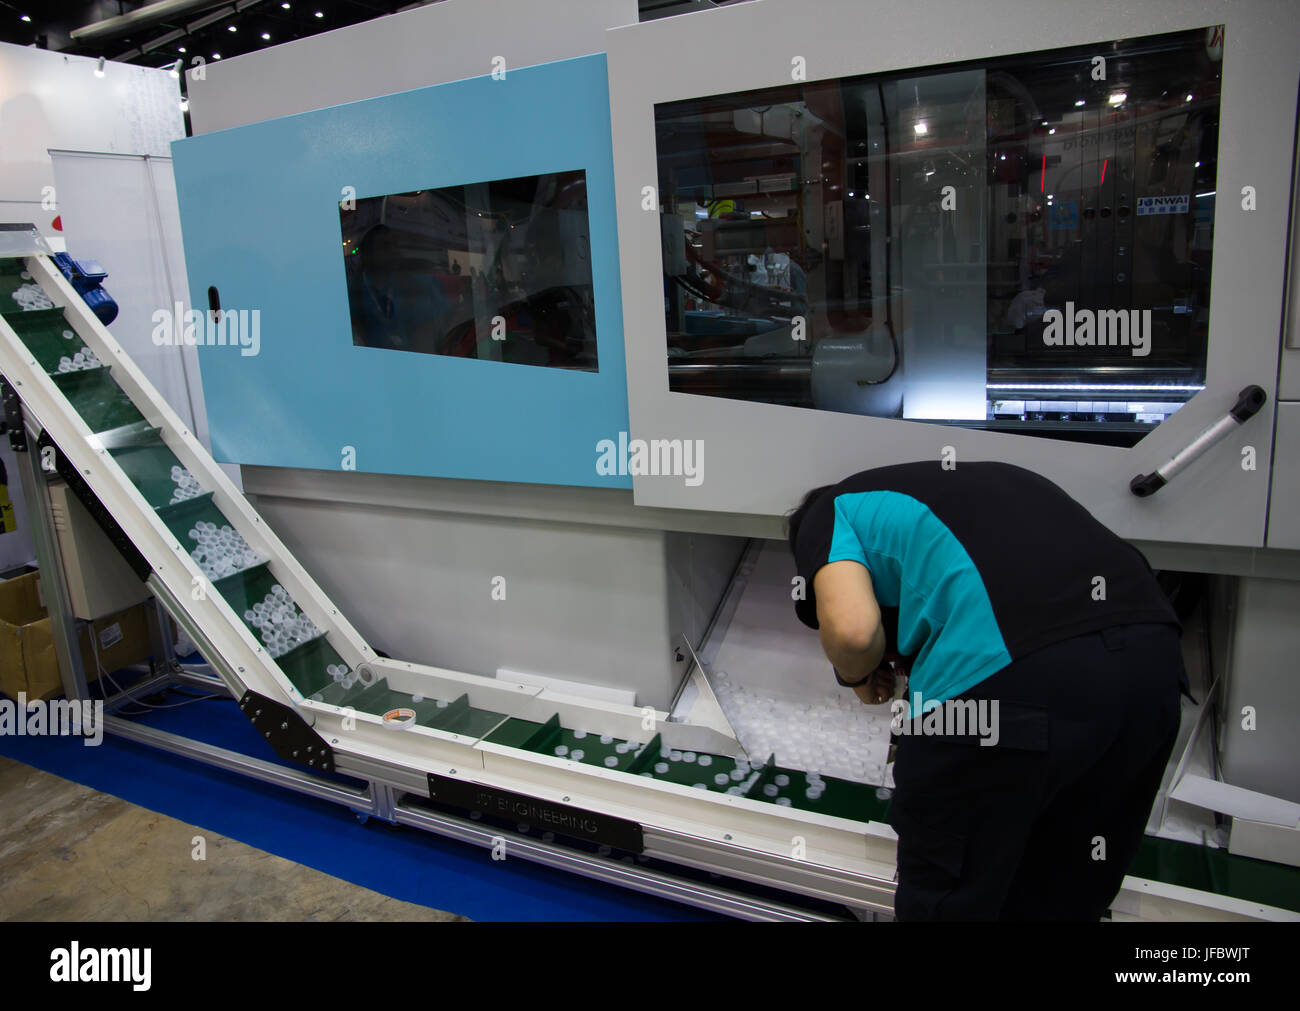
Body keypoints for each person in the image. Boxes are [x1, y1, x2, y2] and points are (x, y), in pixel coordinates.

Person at [786, 460, 1187, 921]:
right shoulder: (989, 484)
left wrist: (856, 676)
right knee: (1066, 891)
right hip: (1151, 663)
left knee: (948, 898)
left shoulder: (829, 512)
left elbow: (853, 632)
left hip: (1004, 688)